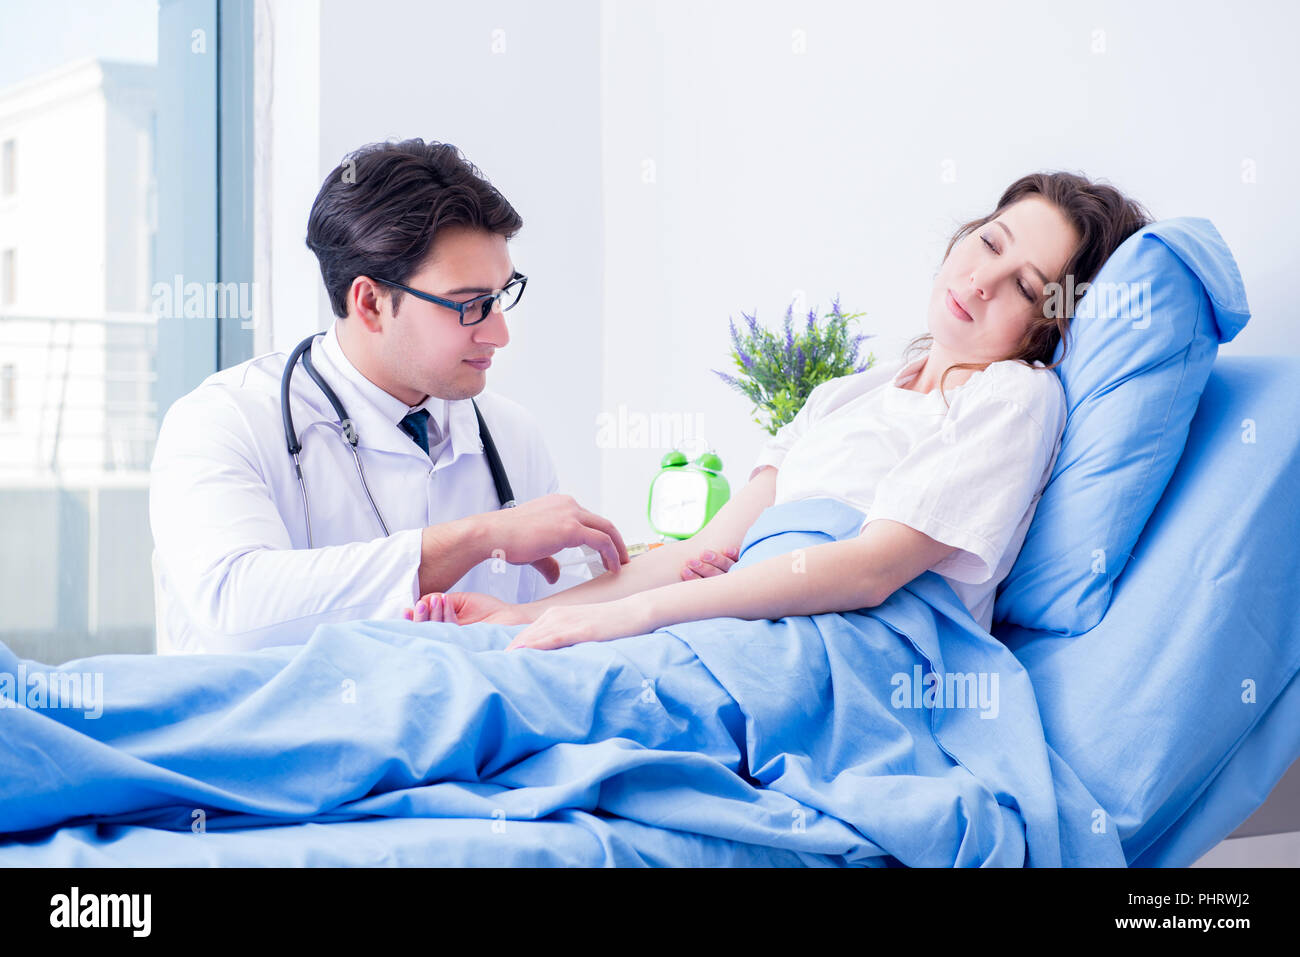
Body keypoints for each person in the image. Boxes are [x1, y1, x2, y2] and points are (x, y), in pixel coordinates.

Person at [406, 171, 1152, 639]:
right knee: (452, 669)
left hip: (845, 650)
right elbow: (699, 556)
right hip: (741, 621)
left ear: (1051, 325)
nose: (983, 279)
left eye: (1026, 286)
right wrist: (523, 618)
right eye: (990, 242)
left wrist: (628, 620)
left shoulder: (1016, 396)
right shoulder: (849, 394)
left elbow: (866, 572)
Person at [148, 138, 731, 654]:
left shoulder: (510, 434)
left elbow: (566, 609)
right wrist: (479, 538)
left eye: (504, 296)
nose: (499, 333)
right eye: (468, 303)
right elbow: (234, 612)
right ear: (370, 302)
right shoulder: (224, 421)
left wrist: (680, 581)